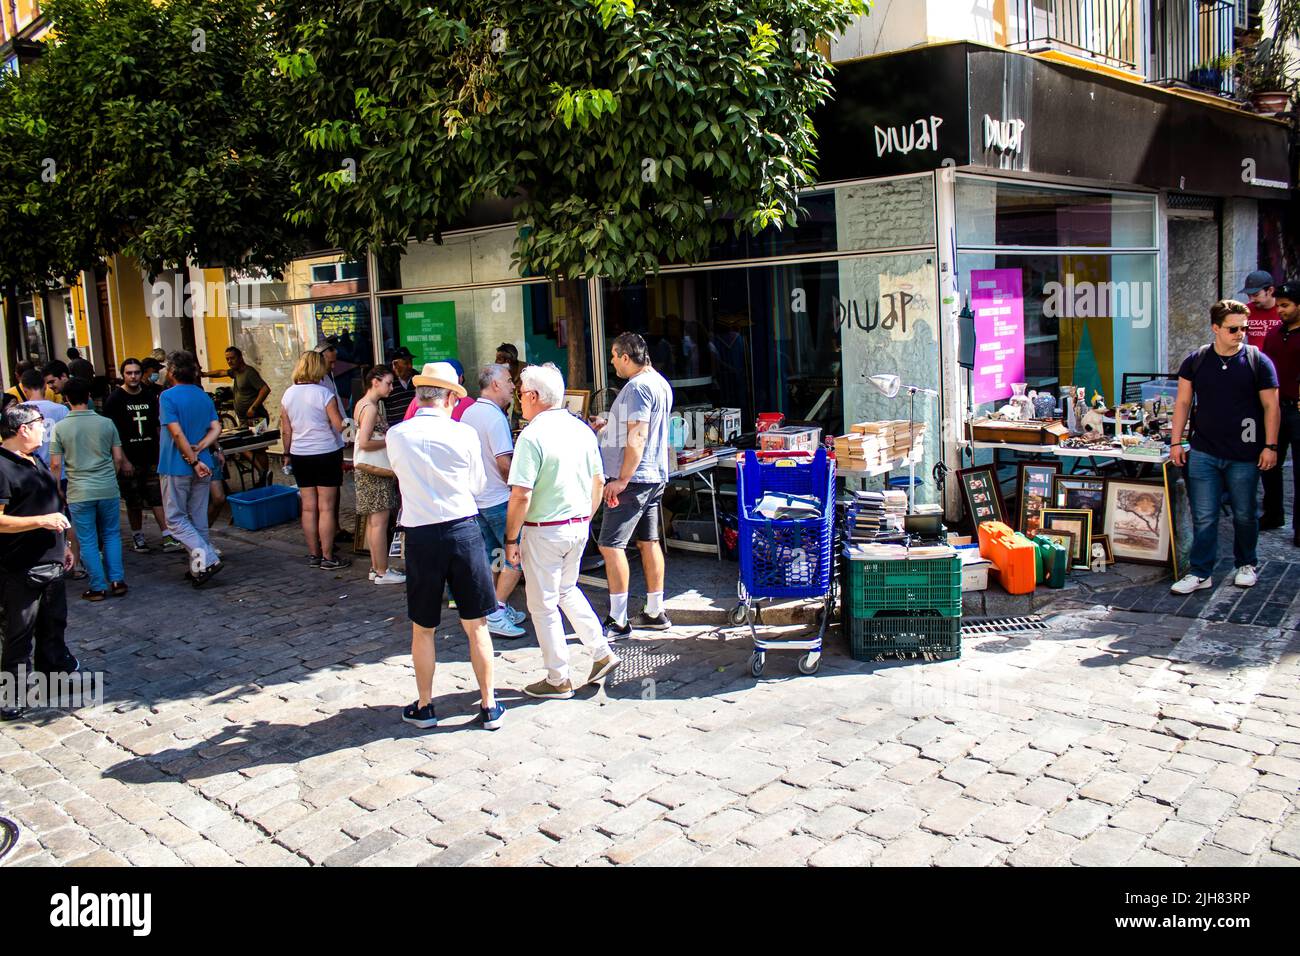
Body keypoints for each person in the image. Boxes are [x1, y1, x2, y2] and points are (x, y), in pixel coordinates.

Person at [385, 362, 504, 730]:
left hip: (420, 535)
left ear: (422, 394)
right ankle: (488, 705)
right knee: (477, 624)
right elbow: (479, 486)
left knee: (423, 627)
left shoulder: (397, 434)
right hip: (462, 530)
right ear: (450, 396)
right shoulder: (463, 433)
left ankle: (425, 705)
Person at [505, 363, 619, 700]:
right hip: (576, 526)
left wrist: (511, 538)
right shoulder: (581, 430)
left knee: (542, 604)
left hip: (545, 530)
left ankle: (558, 677)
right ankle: (600, 651)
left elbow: (521, 494)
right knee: (566, 591)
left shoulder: (532, 435)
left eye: (521, 395)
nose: (519, 402)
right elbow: (598, 481)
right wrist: (585, 516)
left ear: (534, 396)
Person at [1170, 300, 1280, 594]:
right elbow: (1182, 402)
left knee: (1245, 512)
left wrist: (1270, 445)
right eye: (1233, 328)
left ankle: (1246, 563)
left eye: (1244, 328)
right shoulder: (1197, 360)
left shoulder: (1258, 361)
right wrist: (1176, 440)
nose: (1240, 333)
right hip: (1204, 450)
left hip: (1244, 452)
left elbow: (1271, 406)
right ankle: (1200, 571)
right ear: (1215, 328)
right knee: (1204, 515)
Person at [591, 331, 675, 638]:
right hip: (653, 475)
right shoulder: (659, 383)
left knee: (610, 545)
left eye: (614, 356)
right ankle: (654, 611)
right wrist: (608, 425)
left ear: (626, 357)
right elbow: (638, 428)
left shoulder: (638, 387)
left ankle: (618, 620)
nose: (611, 361)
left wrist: (622, 479)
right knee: (648, 542)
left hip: (635, 479)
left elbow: (638, 435)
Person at [0, 403, 77, 721]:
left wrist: (67, 545)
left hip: (51, 561)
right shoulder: (2, 467)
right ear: (23, 429)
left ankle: (53, 678)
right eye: (40, 425)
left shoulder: (33, 459)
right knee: (19, 631)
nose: (45, 430)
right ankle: (10, 696)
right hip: (20, 566)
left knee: (53, 623)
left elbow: (53, 500)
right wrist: (42, 521)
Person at [461, 363, 528, 637]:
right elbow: (504, 463)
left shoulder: (468, 413)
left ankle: (491, 608)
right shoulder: (495, 417)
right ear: (496, 384)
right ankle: (498, 610)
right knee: (516, 556)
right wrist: (518, 491)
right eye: (510, 381)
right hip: (500, 499)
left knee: (495, 557)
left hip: (478, 499)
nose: (514, 386)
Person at [49, 378, 127, 601]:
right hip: (107, 487)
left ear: (66, 400)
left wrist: (57, 490)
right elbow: (119, 458)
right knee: (112, 534)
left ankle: (97, 586)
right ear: (89, 397)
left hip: (79, 489)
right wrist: (110, 475)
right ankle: (117, 580)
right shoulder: (106, 423)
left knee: (87, 539)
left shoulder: (61, 427)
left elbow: (55, 464)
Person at [158, 350, 224, 587]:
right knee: (197, 519)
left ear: (172, 372)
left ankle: (207, 559)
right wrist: (200, 450)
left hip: (177, 464)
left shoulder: (167, 397)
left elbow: (176, 432)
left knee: (175, 519)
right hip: (203, 461)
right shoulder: (202, 395)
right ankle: (198, 569)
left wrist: (192, 460)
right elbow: (216, 428)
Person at [281, 350, 350, 570]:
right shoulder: (323, 394)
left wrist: (286, 453)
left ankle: (314, 554)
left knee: (309, 507)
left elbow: (286, 430)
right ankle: (328, 557)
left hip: (300, 454)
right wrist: (351, 426)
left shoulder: (288, 394)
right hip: (325, 452)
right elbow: (338, 425)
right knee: (327, 508)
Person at [104, 358, 173, 553]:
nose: (133, 376)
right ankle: (137, 536)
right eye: (129, 373)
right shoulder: (115, 399)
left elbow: (158, 426)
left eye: (136, 372)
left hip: (151, 455)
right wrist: (123, 460)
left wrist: (163, 451)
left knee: (156, 496)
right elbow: (112, 433)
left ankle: (167, 535)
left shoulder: (150, 396)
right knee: (133, 499)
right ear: (122, 375)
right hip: (129, 457)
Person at [353, 364, 405, 585]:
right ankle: (382, 570)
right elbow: (364, 442)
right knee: (379, 523)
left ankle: (377, 568)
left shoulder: (362, 405)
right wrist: (389, 439)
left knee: (375, 522)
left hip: (368, 472)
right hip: (375, 472)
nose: (391, 388)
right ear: (375, 381)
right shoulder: (371, 408)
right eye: (388, 383)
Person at [1260, 282, 1300, 542]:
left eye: (1285, 306)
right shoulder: (1274, 333)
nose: (1281, 310)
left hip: (1297, 409)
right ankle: (1273, 513)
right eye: (1280, 305)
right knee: (1268, 463)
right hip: (1274, 408)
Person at [18, 368, 68, 467]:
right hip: (61, 471)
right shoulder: (62, 409)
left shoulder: (17, 411)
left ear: (24, 389)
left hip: (31, 472)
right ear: (45, 386)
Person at [402, 358, 473, 422]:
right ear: (460, 377)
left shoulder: (416, 401)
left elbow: (406, 421)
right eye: (456, 401)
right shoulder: (469, 403)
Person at [1240, 270, 1282, 349]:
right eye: (1249, 296)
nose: (1251, 300)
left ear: (1270, 291)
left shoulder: (1284, 311)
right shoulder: (1244, 311)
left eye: (1256, 295)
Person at [384, 347, 417, 426]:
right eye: (406, 363)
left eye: (411, 362)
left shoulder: (417, 378)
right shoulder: (388, 381)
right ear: (395, 365)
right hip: (395, 430)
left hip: (415, 428)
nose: (410, 366)